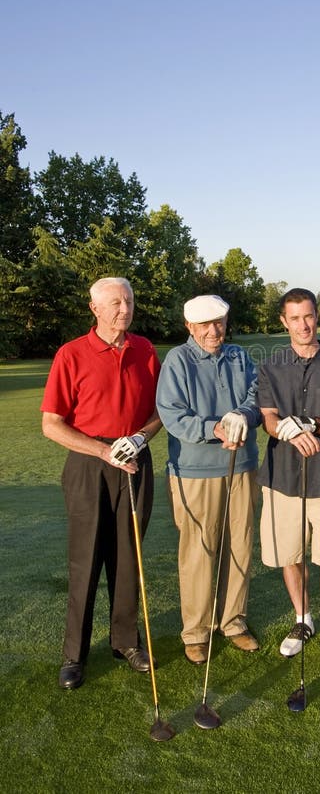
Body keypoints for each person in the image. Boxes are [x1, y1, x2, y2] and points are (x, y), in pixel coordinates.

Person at [41, 277, 162, 690]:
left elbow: (160, 413)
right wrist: (101, 450)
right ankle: (74, 654)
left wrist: (140, 437)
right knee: (86, 560)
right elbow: (51, 425)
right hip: (89, 464)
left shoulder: (145, 350)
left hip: (135, 460)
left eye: (128, 300)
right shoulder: (71, 354)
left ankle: (125, 641)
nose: (123, 308)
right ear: (94, 309)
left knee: (129, 558)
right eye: (114, 302)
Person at [257, 287, 320, 668]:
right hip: (282, 478)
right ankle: (303, 620)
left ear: (318, 316)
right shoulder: (271, 367)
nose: (303, 324)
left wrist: (311, 423)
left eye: (309, 316)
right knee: (291, 555)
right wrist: (284, 429)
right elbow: (267, 416)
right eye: (295, 318)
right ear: (284, 321)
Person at [156, 295, 261, 664]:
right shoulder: (177, 360)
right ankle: (197, 631)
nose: (214, 331)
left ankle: (233, 622)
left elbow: (256, 396)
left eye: (219, 322)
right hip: (195, 470)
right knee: (199, 552)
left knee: (240, 546)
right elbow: (171, 414)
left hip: (242, 464)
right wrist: (214, 428)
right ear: (190, 327)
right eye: (205, 325)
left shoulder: (239, 356)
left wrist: (243, 416)